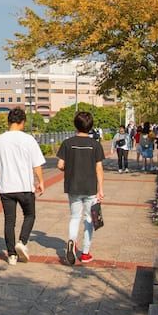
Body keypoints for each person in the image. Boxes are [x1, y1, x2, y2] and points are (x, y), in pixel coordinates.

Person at [0, 107, 45, 265]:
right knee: (30, 215)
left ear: (9, 121)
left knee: (9, 221)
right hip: (25, 186)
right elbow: (36, 164)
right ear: (22, 122)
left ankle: (11, 255)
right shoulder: (29, 139)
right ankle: (22, 241)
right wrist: (41, 181)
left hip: (6, 187)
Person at [57, 111, 105, 265]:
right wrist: (101, 189)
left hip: (73, 186)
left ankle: (72, 241)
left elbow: (60, 165)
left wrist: (70, 168)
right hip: (90, 187)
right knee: (89, 219)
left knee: (75, 217)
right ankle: (85, 253)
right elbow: (99, 168)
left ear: (75, 125)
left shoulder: (67, 143)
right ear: (90, 126)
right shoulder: (95, 145)